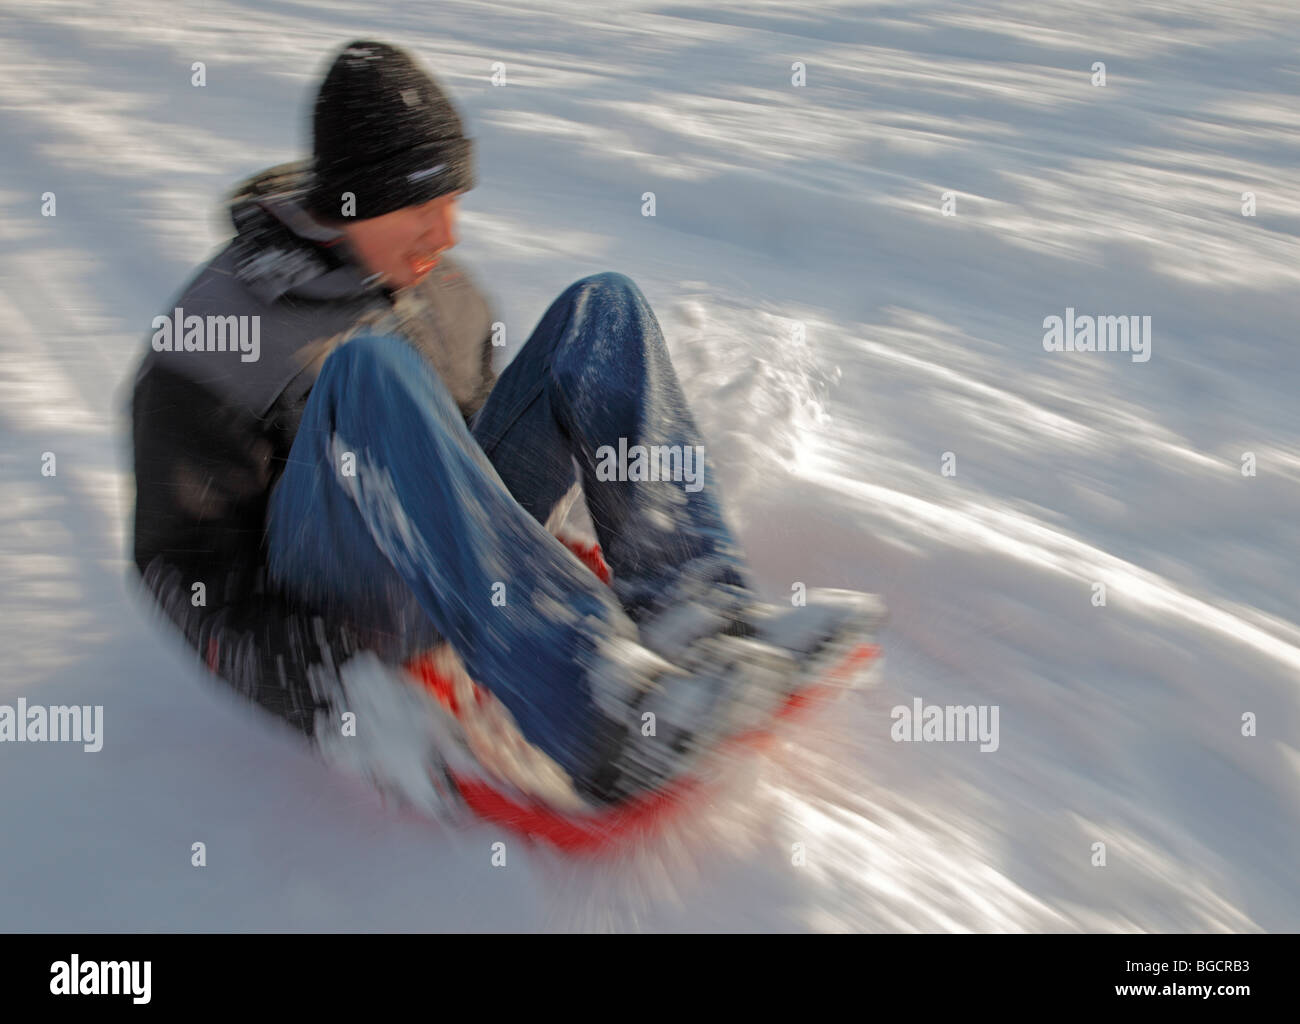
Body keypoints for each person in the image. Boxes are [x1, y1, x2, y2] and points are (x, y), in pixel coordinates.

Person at [131, 39, 869, 818]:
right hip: (336, 603)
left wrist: (563, 540)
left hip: (450, 564)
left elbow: (473, 449)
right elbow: (178, 564)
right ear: (355, 197)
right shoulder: (218, 326)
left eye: (454, 200)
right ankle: (592, 708)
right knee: (367, 373)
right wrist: (325, 686)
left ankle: (697, 615)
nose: (445, 232)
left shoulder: (443, 288)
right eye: (420, 204)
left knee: (603, 308)